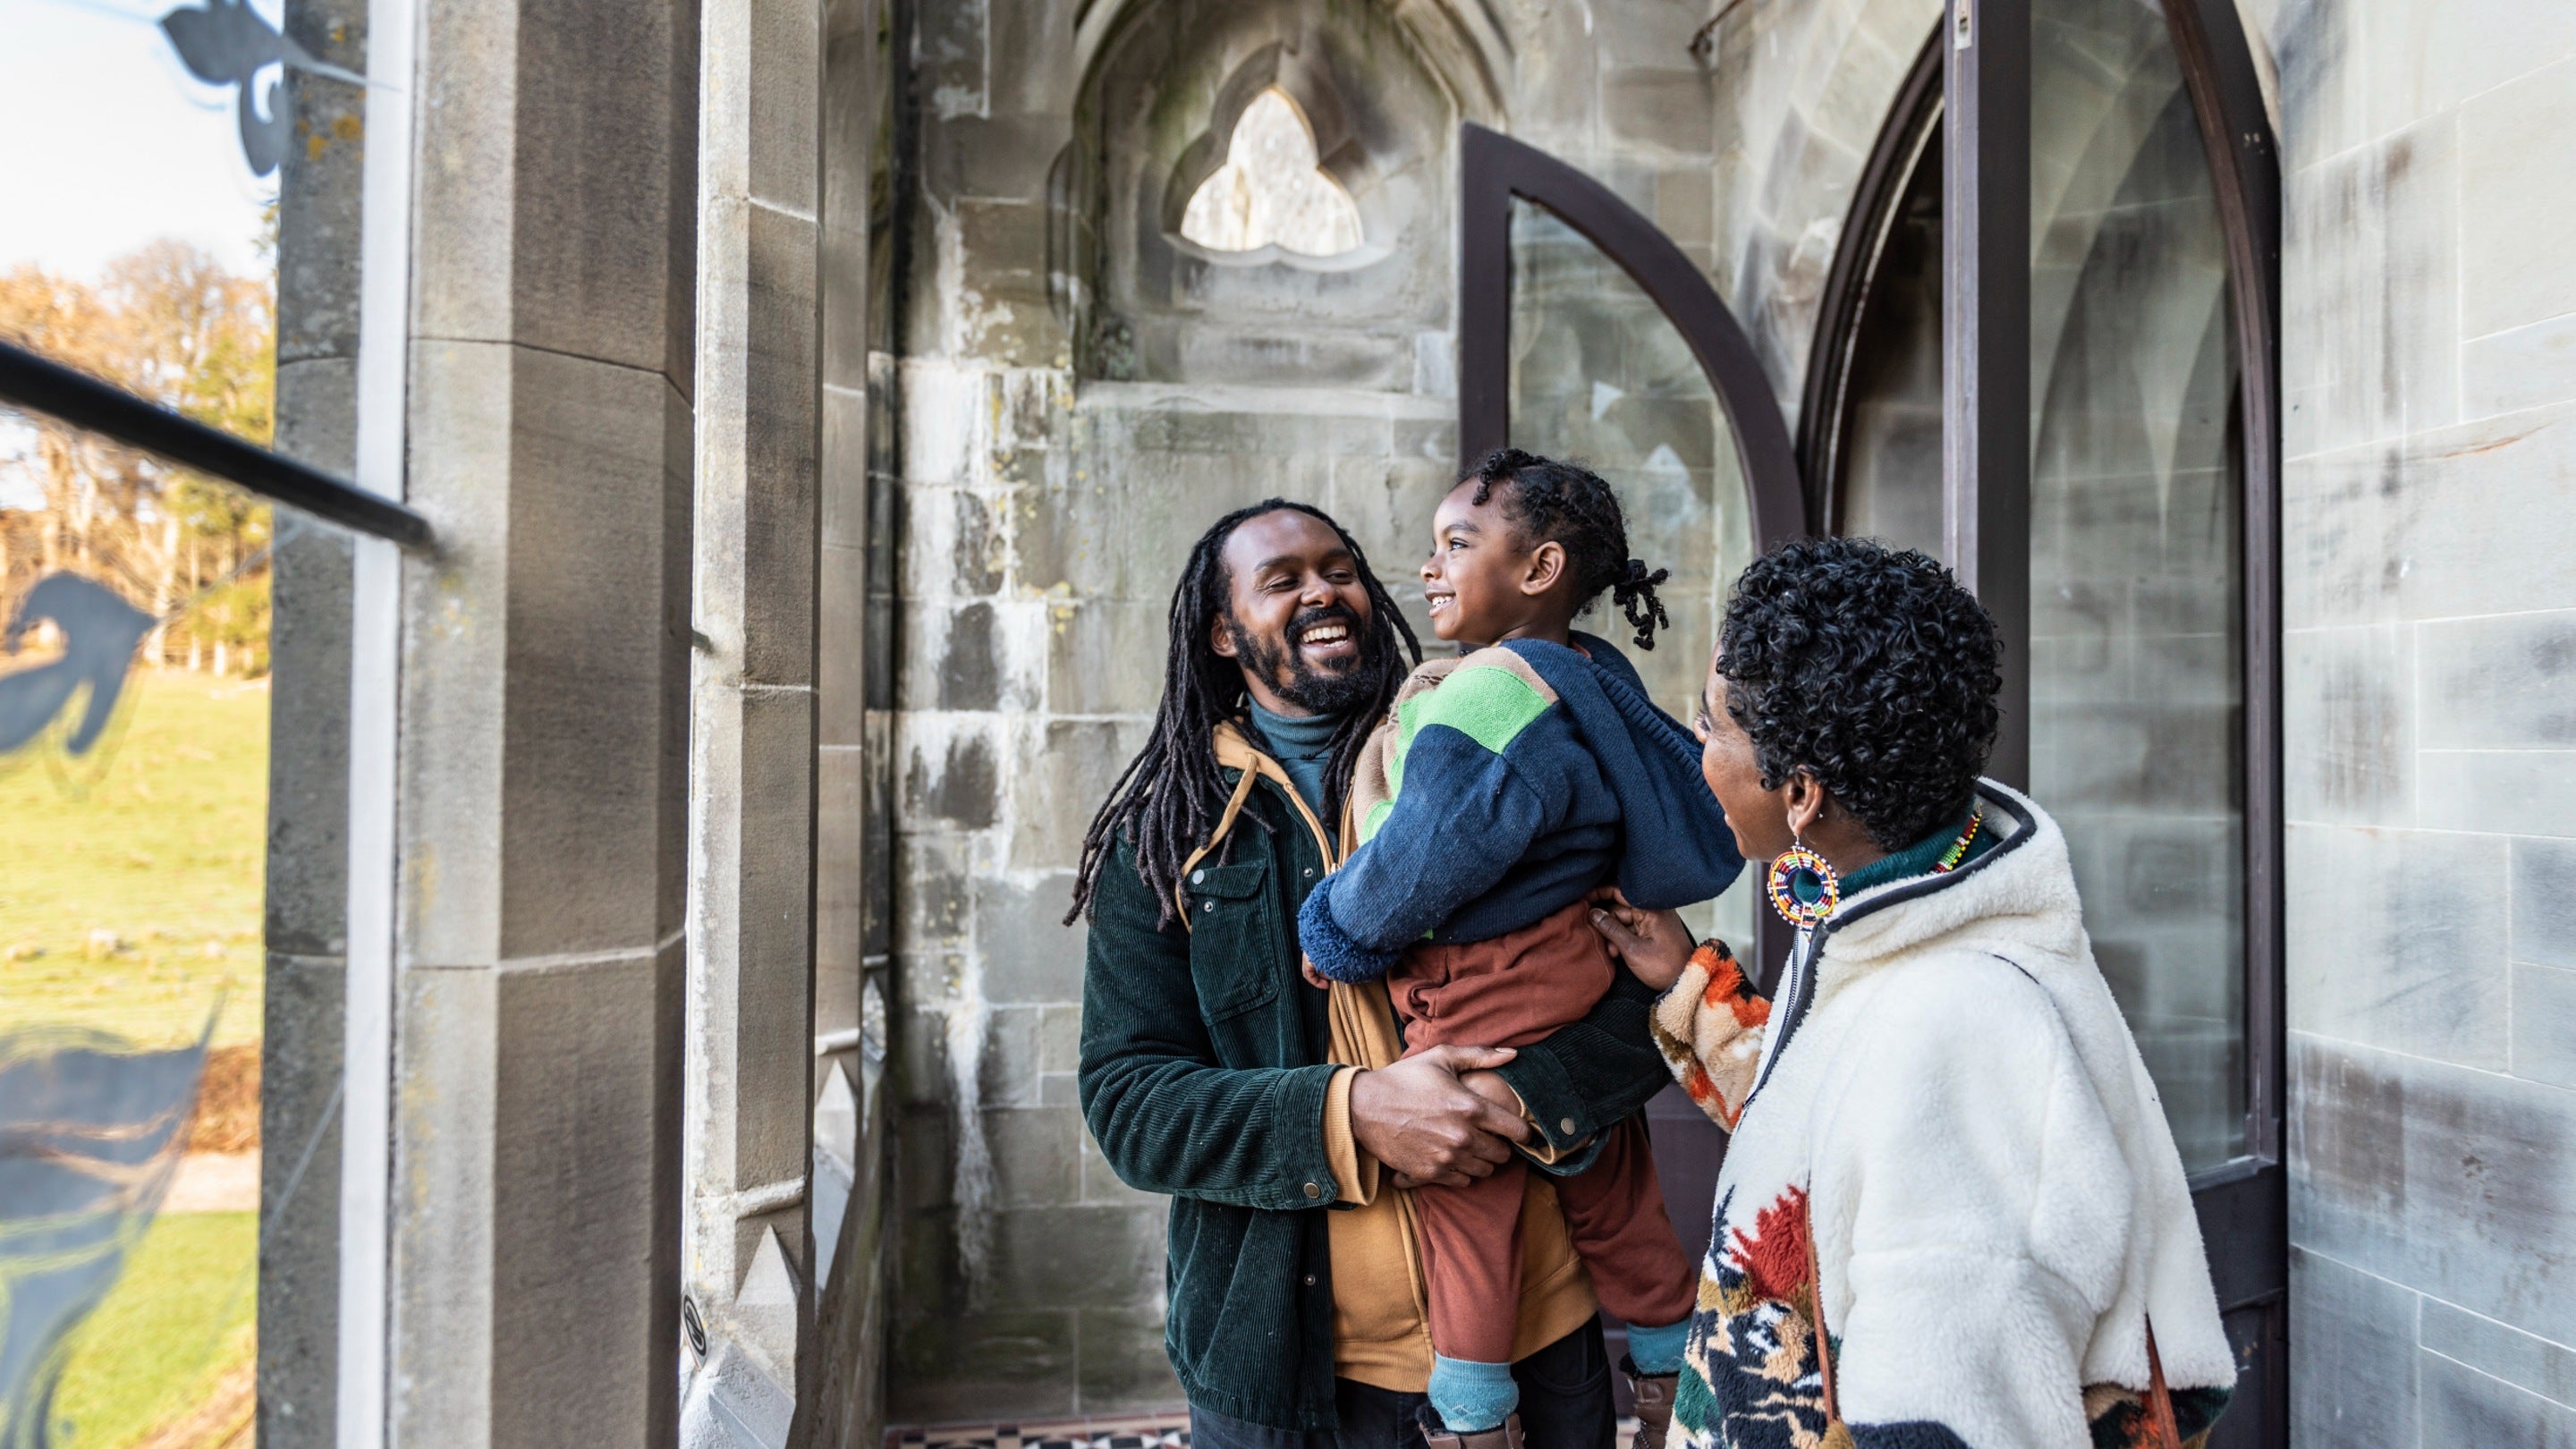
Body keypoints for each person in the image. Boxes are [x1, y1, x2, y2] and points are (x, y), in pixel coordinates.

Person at [1589, 536, 2237, 1449]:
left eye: (1714, 725)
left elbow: (1956, 1412)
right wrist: (1694, 985)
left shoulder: (1959, 1024)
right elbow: (1841, 1154)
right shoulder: (1911, 918)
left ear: (1803, 794)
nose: (1699, 749)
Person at [1072, 498, 1680, 1448]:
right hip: (1285, 1367)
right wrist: (1353, 1116)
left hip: (1535, 1338)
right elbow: (1128, 1102)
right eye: (1282, 581)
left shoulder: (1490, 753)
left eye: (1339, 567)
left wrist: (1525, 1099)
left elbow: (1645, 998)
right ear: (1223, 634)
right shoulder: (1173, 832)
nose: (1323, 590)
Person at [1295, 450, 1742, 1447]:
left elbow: (1420, 858)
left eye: (1458, 545)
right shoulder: (1597, 673)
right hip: (1576, 983)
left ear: (1538, 569)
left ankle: (1472, 1422)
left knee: (1467, 1229)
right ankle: (1674, 1392)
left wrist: (1334, 933)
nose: (1430, 568)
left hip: (1479, 1004)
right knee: (1625, 1213)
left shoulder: (1488, 694)